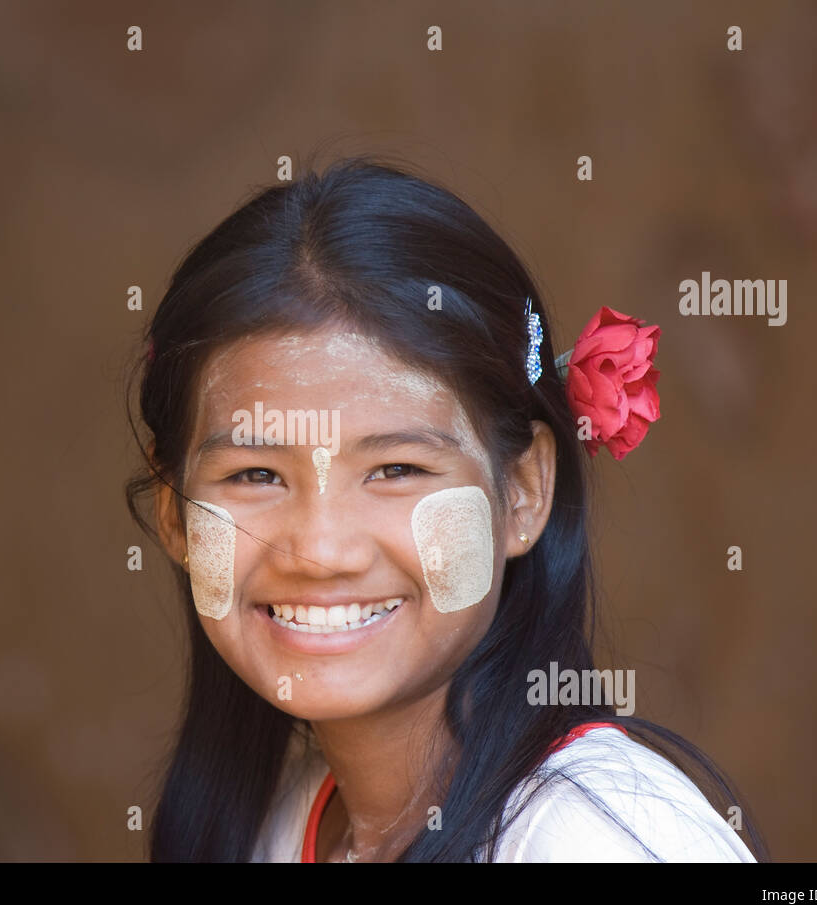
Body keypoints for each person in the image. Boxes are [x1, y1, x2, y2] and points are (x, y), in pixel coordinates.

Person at [125, 154, 766, 862]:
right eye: (255, 474)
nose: (320, 550)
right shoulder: (271, 830)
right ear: (175, 516)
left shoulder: (594, 839)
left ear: (522, 492)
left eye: (397, 468)